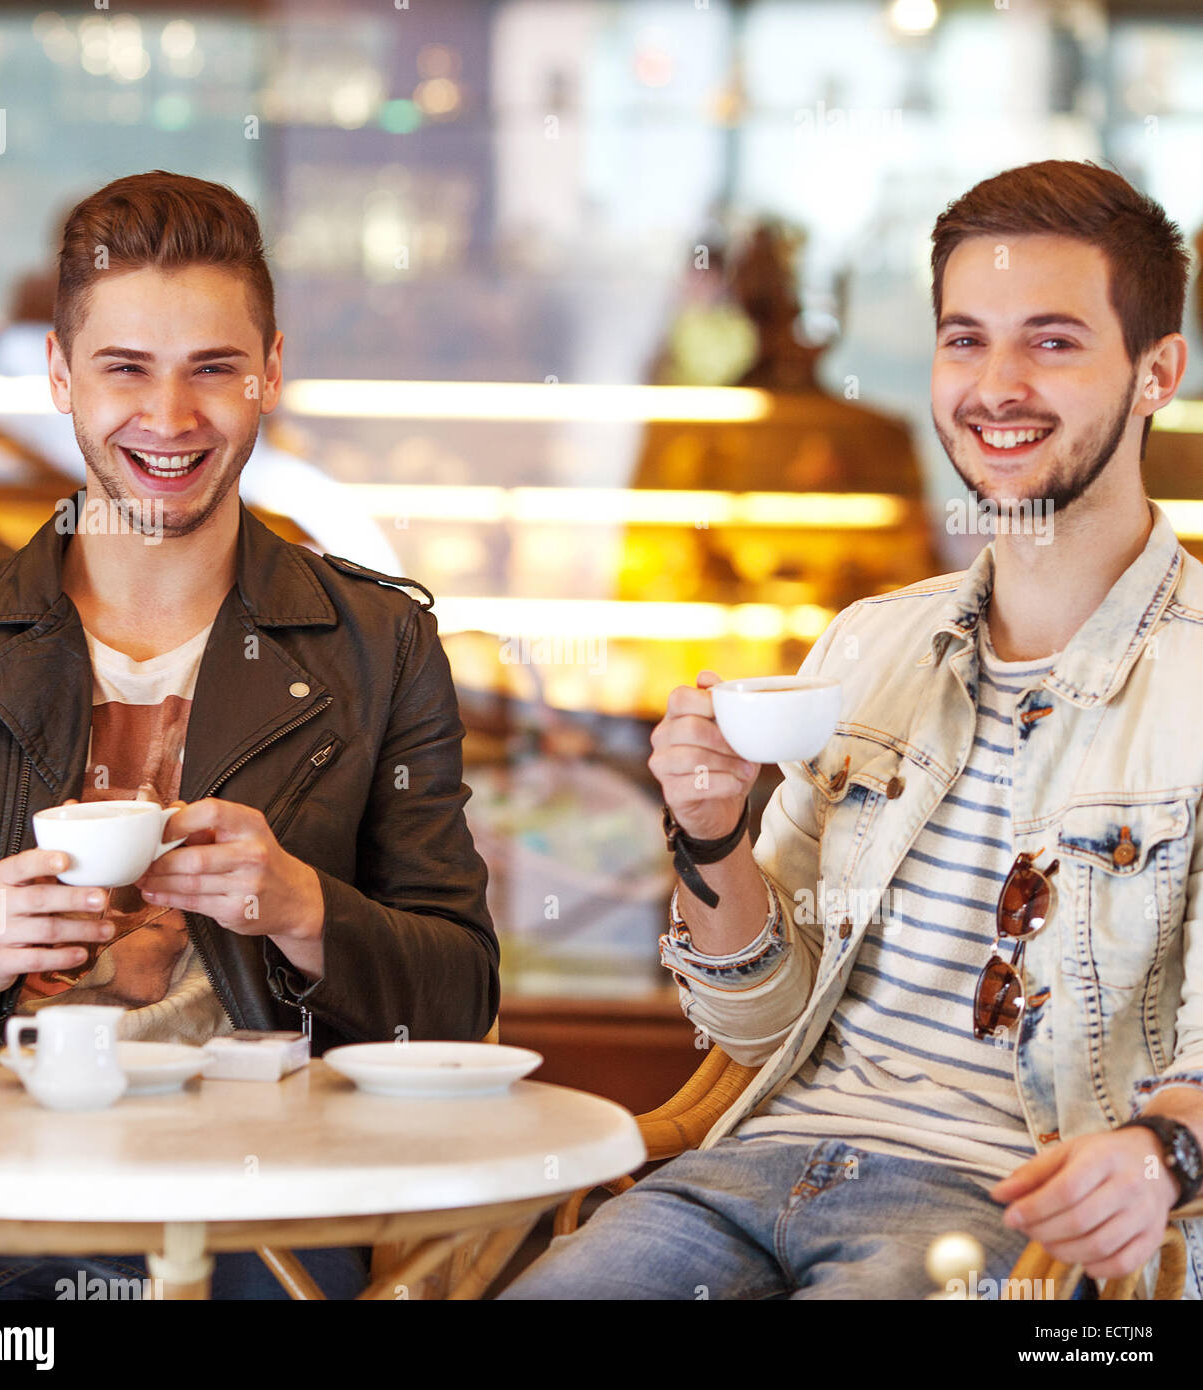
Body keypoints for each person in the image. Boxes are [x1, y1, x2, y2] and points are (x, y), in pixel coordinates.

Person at [503, 159, 1203, 1300]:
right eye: (964, 339)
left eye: (1053, 342)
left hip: (1003, 1213)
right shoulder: (867, 647)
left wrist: (1158, 1156)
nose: (996, 384)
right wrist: (709, 832)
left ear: (1154, 373)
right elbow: (762, 1011)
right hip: (746, 1166)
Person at [0, 170, 498, 1300]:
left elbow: (457, 997)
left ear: (270, 368)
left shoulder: (381, 645)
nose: (170, 421)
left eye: (213, 370)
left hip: (262, 1202)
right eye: (125, 368)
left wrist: (302, 907)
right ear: (59, 374)